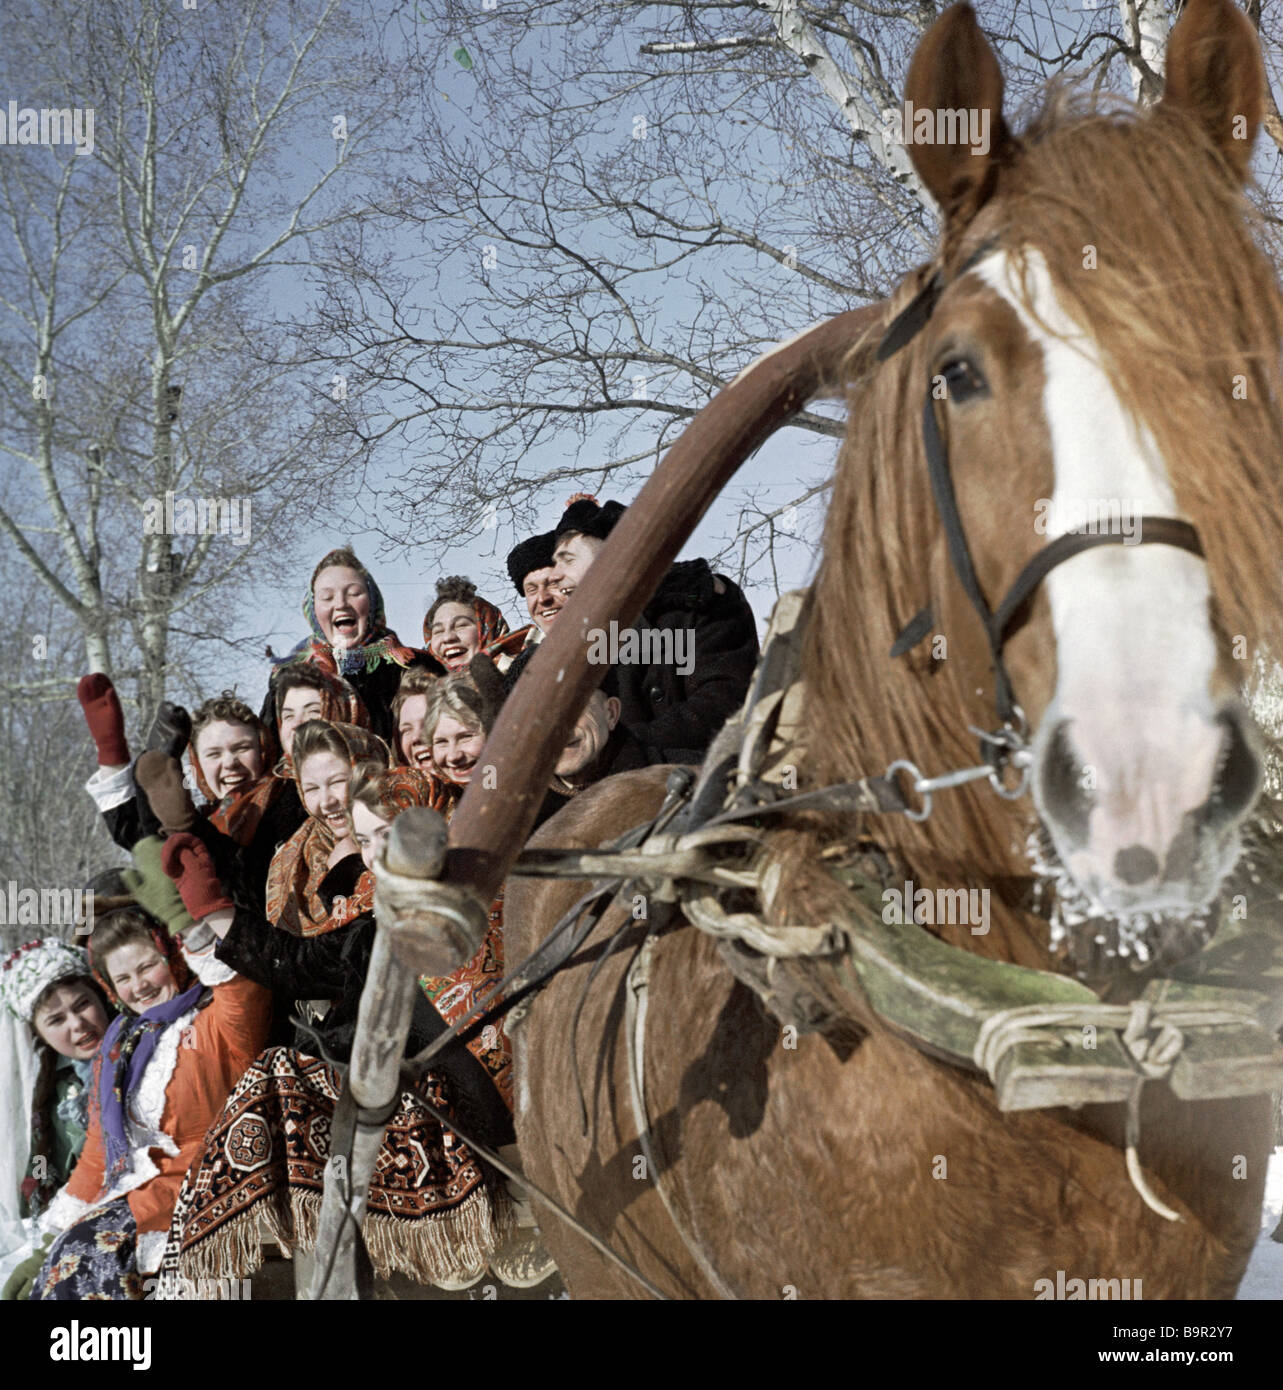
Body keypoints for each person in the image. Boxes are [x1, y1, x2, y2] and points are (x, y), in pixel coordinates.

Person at [155, 768, 546, 1293]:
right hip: (391, 1084)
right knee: (272, 1075)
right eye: (364, 840)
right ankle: (227, 1266)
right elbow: (292, 962)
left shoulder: (492, 894)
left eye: (390, 833)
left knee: (290, 1075)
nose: (376, 852)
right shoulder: (368, 917)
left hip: (484, 1099)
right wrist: (211, 909)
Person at [26, 908, 270, 1299]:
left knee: (95, 1258)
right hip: (139, 1189)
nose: (138, 986)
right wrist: (50, 1238)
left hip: (207, 1178)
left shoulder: (216, 1021)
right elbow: (98, 1152)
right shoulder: (119, 1046)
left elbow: (243, 987)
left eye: (146, 967)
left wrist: (186, 913)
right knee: (68, 1262)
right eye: (122, 978)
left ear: (171, 956)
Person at [547, 494, 759, 763]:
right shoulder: (583, 638)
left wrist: (623, 750)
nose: (555, 575)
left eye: (568, 560)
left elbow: (723, 706)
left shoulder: (706, 603)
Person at [0, 935, 112, 1298]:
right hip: (67, 1213)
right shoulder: (52, 1089)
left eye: (83, 1005)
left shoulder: (137, 1056)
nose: (78, 1024)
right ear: (39, 1033)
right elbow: (48, 1171)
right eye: (57, 1019)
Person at [275, 547, 431, 745]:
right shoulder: (286, 677)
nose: (341, 604)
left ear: (373, 601)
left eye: (354, 593)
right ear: (312, 609)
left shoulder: (412, 666)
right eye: (327, 597)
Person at [264, 719, 389, 938]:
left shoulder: (405, 831)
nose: (326, 801)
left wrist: (352, 869)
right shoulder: (294, 859)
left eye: (337, 782)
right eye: (311, 788)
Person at [423, 575, 529, 675]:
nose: (448, 637)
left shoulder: (528, 670)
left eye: (461, 625)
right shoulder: (415, 688)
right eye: (438, 631)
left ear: (488, 629)